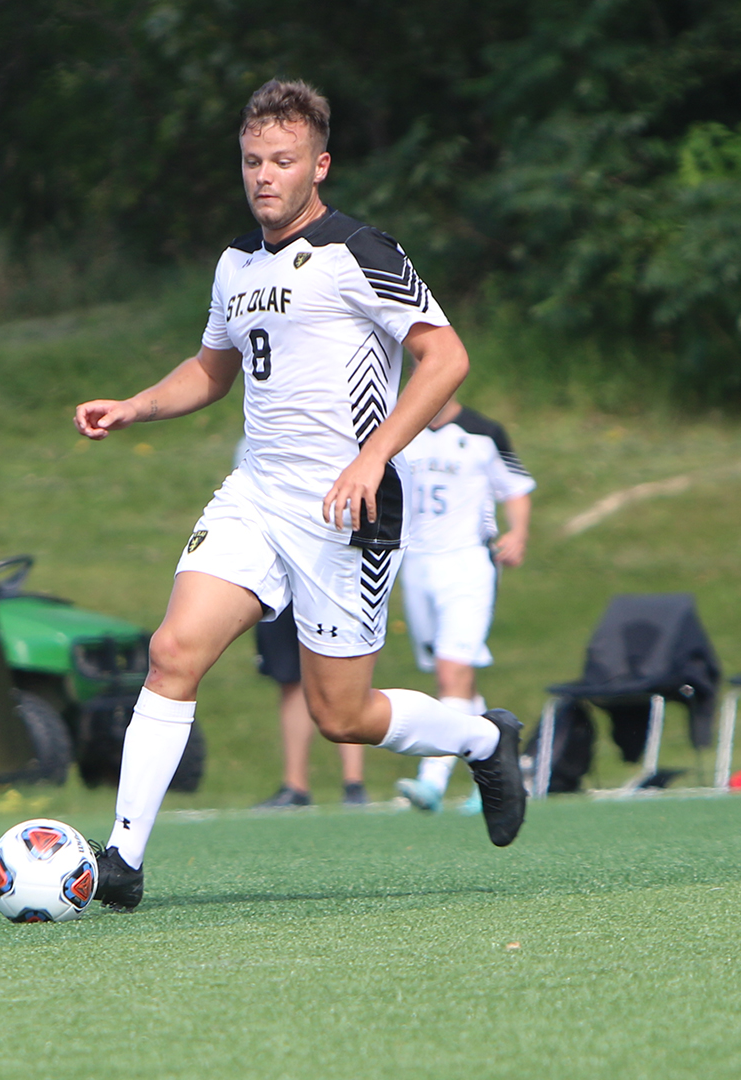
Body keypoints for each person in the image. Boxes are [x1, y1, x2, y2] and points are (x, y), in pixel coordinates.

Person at [71, 79, 525, 911]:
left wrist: (373, 457)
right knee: (173, 652)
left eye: (282, 161)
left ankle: (485, 736)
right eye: (252, 161)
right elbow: (213, 369)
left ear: (320, 164)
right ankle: (122, 862)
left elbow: (447, 358)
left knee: (341, 716)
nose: (264, 176)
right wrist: (137, 404)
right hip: (255, 498)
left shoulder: (361, 251)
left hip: (343, 516)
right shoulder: (235, 262)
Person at [394, 396, 534, 814]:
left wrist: (518, 534)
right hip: (415, 563)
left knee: (451, 669)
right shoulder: (400, 428)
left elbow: (517, 487)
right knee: (458, 675)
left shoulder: (483, 432)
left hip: (468, 563)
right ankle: (496, 764)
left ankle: (431, 783)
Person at [252, 603, 369, 808]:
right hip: (283, 582)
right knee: (289, 675)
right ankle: (295, 786)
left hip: (334, 582)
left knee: (344, 671)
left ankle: (354, 784)